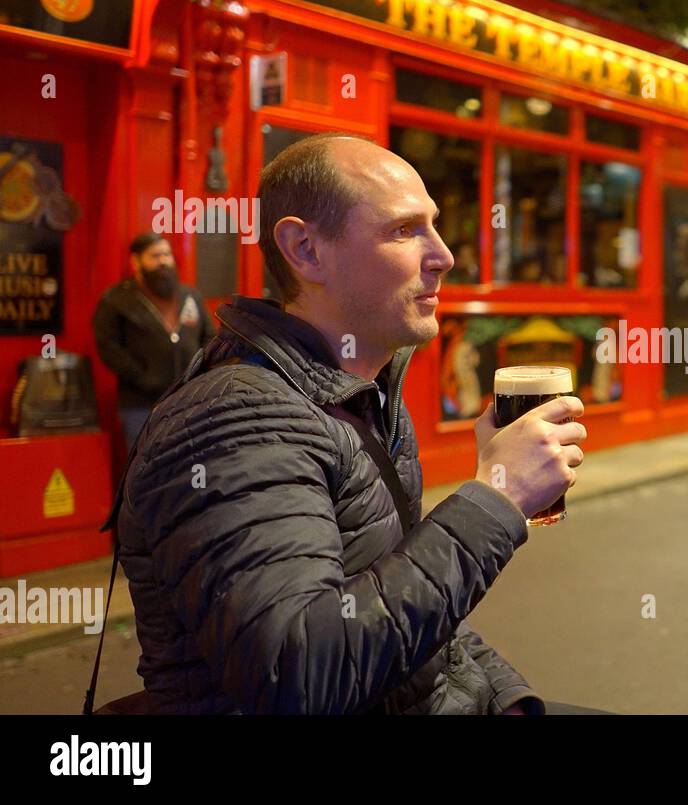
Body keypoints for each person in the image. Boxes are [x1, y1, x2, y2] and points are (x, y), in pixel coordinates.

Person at [105, 133, 586, 714]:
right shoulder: (235, 421)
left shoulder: (362, 391)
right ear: (305, 250)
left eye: (433, 225)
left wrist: (510, 699)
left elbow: (407, 606)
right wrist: (495, 497)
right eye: (405, 230)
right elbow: (297, 673)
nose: (444, 256)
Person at [91, 233, 215, 450]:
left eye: (167, 254)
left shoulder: (190, 295)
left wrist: (199, 372)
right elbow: (108, 347)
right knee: (147, 471)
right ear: (136, 261)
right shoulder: (117, 299)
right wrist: (143, 377)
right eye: (155, 256)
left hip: (189, 401)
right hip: (140, 407)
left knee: (188, 466)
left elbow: (209, 336)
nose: (164, 261)